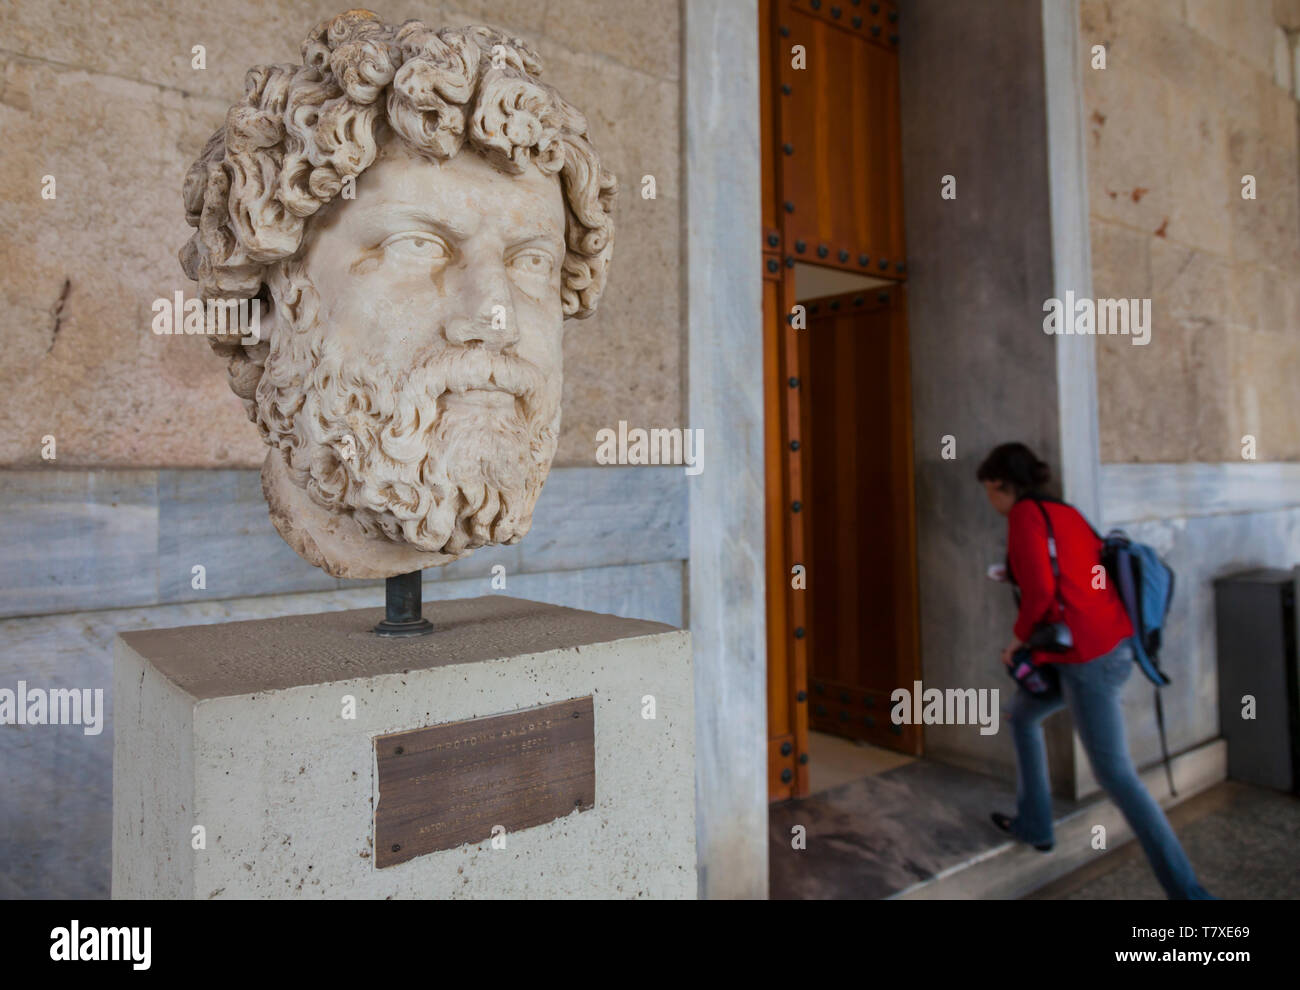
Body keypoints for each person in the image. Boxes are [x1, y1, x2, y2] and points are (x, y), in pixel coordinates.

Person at [977, 442, 1214, 899]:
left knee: (1116, 776)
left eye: (990, 491)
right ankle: (1035, 823)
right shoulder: (1062, 512)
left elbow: (1043, 594)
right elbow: (1079, 571)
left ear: (1000, 485)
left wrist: (1014, 644)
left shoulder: (1024, 516)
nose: (990, 501)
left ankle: (1190, 894)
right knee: (1023, 716)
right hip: (1104, 644)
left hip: (1089, 659)